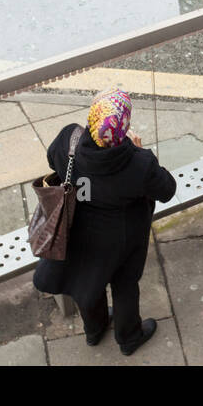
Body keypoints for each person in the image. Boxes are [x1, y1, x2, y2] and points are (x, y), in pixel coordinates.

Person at [33, 88, 176, 356]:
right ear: (126, 126)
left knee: (87, 278)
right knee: (124, 285)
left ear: (92, 117)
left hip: (78, 229)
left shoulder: (70, 140)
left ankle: (95, 330)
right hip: (123, 236)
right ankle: (129, 337)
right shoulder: (138, 162)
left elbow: (53, 159)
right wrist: (141, 151)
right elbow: (167, 190)